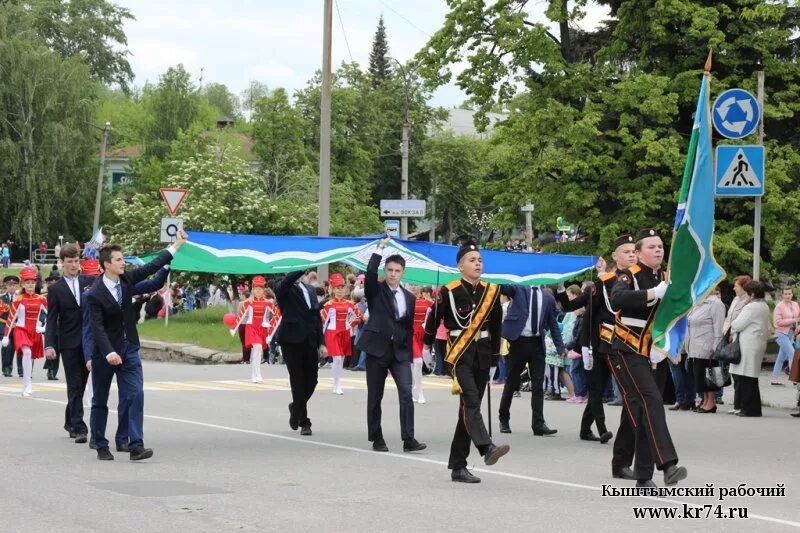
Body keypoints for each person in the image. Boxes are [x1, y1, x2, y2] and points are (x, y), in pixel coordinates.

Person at [86, 232, 187, 461]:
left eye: (123, 259)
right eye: (119, 260)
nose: (123, 263)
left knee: (135, 394)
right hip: (105, 353)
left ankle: (136, 446)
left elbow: (153, 266)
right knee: (100, 400)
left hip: (129, 347)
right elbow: (97, 328)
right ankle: (101, 444)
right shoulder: (94, 294)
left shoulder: (127, 280)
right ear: (106, 265)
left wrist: (177, 244)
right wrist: (109, 352)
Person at [423, 240, 510, 484]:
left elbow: (495, 326)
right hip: (459, 355)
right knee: (471, 402)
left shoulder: (491, 291)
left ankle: (458, 466)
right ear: (460, 266)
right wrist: (427, 346)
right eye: (472, 260)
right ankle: (487, 448)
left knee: (467, 411)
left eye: (480, 260)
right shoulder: (449, 291)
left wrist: (494, 358)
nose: (477, 263)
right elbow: (434, 318)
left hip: (482, 353)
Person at [609, 228, 687, 488]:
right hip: (629, 349)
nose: (658, 250)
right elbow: (617, 298)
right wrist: (654, 293)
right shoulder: (628, 275)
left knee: (645, 411)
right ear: (639, 253)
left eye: (661, 246)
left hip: (655, 351)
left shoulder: (666, 277)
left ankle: (643, 476)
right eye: (651, 247)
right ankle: (668, 464)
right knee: (652, 400)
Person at [356, 239, 425, 453]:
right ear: (385, 271)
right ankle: (377, 437)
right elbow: (369, 273)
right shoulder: (376, 290)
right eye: (390, 270)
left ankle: (409, 438)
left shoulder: (410, 297)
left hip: (400, 352)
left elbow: (408, 325)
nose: (393, 274)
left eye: (397, 270)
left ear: (403, 272)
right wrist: (380, 250)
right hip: (377, 349)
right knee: (375, 395)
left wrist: (408, 348)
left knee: (406, 393)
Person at [497, 281, 565, 437]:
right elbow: (504, 287)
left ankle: (538, 424)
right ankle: (504, 419)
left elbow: (553, 324)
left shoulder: (548, 297)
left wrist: (560, 347)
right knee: (512, 382)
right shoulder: (519, 288)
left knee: (538, 384)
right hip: (519, 341)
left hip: (537, 344)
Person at [44, 244, 93, 442]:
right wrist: (49, 345)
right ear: (62, 263)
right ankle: (79, 427)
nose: (74, 265)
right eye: (70, 261)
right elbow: (52, 319)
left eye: (76, 261)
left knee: (81, 384)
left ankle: (69, 419)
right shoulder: (55, 289)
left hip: (88, 341)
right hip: (68, 342)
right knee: (74, 383)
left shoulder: (89, 281)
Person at [273, 269, 326, 437]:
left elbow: (315, 316)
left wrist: (322, 342)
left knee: (313, 380)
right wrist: (300, 266)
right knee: (297, 381)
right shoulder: (281, 285)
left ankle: (295, 407)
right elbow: (287, 281)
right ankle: (304, 421)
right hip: (291, 340)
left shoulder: (309, 289)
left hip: (309, 339)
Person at [2, 267, 47, 397]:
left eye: (32, 282)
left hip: (35, 332)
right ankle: (27, 384)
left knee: (30, 356)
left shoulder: (41, 299)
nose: (30, 285)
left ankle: (27, 381)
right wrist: (6, 336)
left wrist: (44, 328)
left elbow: (52, 315)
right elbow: (11, 318)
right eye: (27, 282)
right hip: (21, 330)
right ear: (23, 284)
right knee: (26, 353)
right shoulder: (18, 299)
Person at [729, 280, 770, 418]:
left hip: (748, 345)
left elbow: (737, 324)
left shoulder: (750, 308)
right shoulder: (764, 306)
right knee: (752, 378)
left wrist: (733, 322)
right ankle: (754, 408)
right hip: (757, 343)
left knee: (746, 378)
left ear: (751, 294)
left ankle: (748, 409)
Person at [230, 276, 280, 384]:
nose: (258, 291)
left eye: (260, 289)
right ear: (253, 290)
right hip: (251, 327)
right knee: (257, 347)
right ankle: (254, 374)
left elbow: (278, 315)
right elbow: (241, 316)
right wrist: (234, 328)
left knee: (259, 350)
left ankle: (257, 373)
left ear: (263, 290)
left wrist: (269, 327)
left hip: (262, 329)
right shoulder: (248, 302)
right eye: (256, 289)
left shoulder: (268, 303)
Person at [685, 286, 726, 413]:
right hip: (695, 346)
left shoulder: (716, 304)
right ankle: (705, 401)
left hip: (707, 346)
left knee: (710, 376)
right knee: (700, 376)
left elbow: (719, 327)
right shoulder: (698, 303)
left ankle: (711, 402)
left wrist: (716, 347)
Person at [321, 273, 362, 394]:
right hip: (332, 333)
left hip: (345, 333)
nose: (340, 291)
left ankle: (337, 383)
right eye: (337, 288)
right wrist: (321, 341)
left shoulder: (350, 304)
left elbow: (359, 316)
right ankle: (336, 384)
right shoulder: (328, 305)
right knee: (337, 358)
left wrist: (350, 324)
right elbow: (323, 323)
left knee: (341, 359)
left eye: (342, 288)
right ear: (332, 289)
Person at [771, 286, 798, 386]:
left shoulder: (795, 304)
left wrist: (797, 327)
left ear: (792, 294)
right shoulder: (779, 306)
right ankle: (795, 378)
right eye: (785, 294)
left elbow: (799, 317)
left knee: (781, 357)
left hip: (791, 333)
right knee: (792, 354)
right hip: (781, 334)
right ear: (782, 295)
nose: (788, 296)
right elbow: (778, 322)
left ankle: (774, 379)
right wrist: (793, 320)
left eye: (789, 293)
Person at [411, 286, 434, 403]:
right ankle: (419, 393)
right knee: (417, 362)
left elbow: (435, 318)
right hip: (410, 334)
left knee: (415, 364)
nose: (413, 287)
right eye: (410, 284)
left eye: (415, 285)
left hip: (423, 334)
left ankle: (411, 392)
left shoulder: (428, 303)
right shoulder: (405, 300)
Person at [1, 275, 21, 377]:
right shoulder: (2, 298)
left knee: (20, 348)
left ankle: (21, 371)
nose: (12, 287)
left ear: (16, 286)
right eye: (9, 285)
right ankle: (6, 369)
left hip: (18, 326)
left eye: (13, 285)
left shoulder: (20, 298)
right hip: (5, 326)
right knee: (7, 347)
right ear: (6, 286)